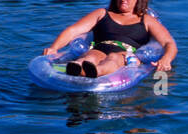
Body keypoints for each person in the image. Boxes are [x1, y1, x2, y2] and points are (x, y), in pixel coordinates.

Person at [43, 0, 176, 79]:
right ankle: (78, 67)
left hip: (125, 53)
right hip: (99, 48)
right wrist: (54, 48)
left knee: (114, 58)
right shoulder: (102, 14)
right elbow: (73, 30)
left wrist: (166, 59)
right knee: (91, 56)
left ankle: (95, 72)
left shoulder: (146, 20)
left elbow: (168, 43)